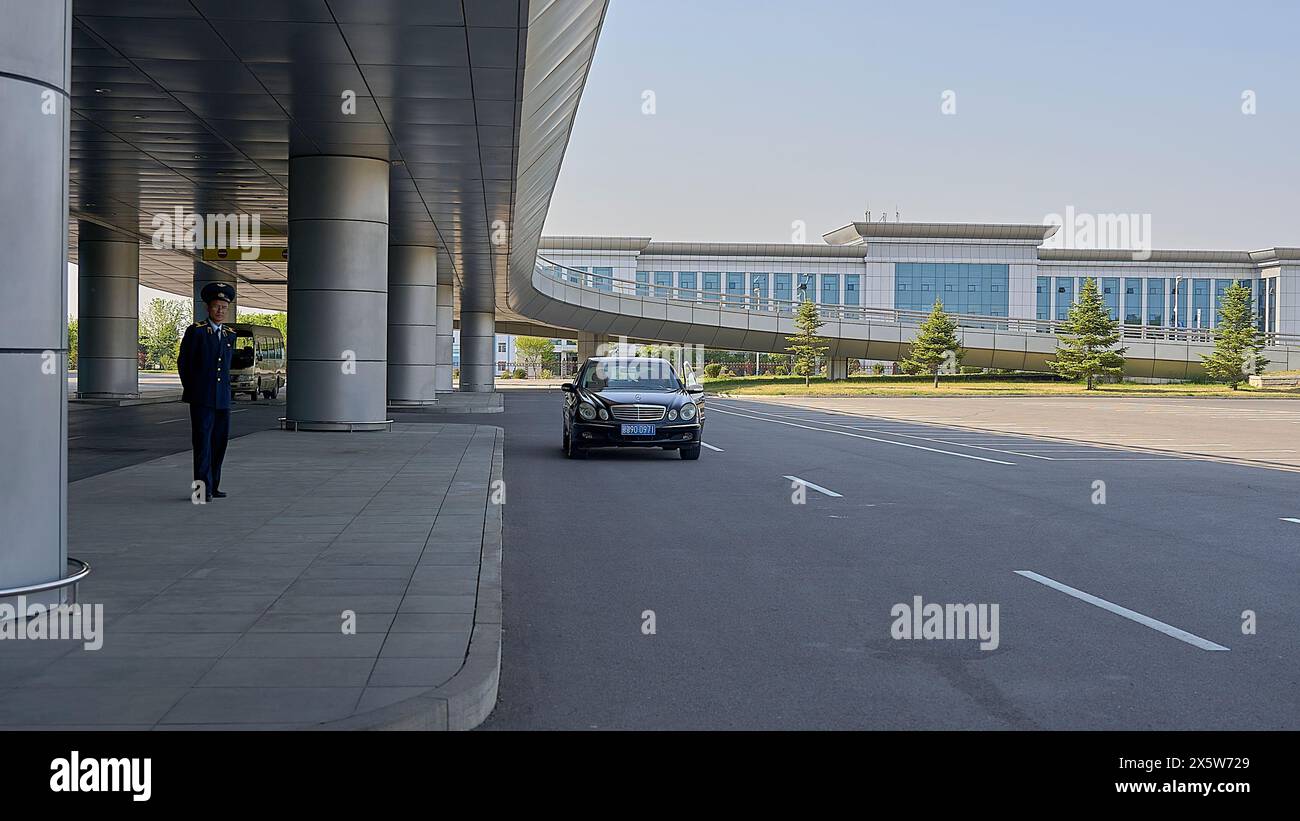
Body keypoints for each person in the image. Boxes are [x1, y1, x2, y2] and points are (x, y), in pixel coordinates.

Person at [179, 283, 236, 502]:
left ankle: (214, 486)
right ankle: (201, 491)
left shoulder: (230, 334)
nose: (220, 311)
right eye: (216, 307)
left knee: (219, 444)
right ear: (208, 308)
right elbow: (184, 363)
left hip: (222, 399)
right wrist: (193, 389)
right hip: (202, 399)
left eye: (223, 307)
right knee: (203, 445)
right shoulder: (197, 331)